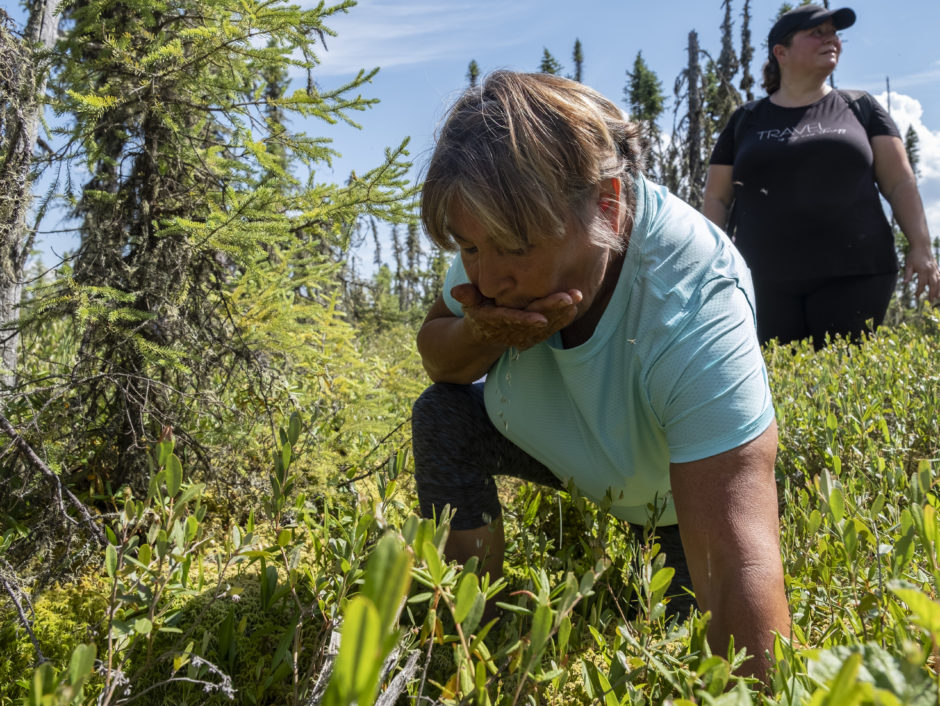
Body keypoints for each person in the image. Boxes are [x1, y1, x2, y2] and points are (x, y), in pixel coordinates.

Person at [412, 70, 790, 682]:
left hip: (675, 497)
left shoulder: (690, 297)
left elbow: (735, 559)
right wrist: (486, 332)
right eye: (469, 248)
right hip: (574, 450)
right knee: (442, 414)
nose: (486, 281)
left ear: (608, 204)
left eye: (511, 248)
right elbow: (439, 359)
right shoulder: (499, 219)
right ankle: (465, 625)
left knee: (700, 633)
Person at [704, 4, 940, 350]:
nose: (831, 39)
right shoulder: (746, 120)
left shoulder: (860, 107)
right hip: (763, 278)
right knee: (779, 383)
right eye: (817, 32)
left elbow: (899, 181)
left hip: (856, 273)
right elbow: (718, 197)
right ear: (780, 52)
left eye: (834, 32)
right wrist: (709, 263)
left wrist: (922, 248)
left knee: (843, 383)